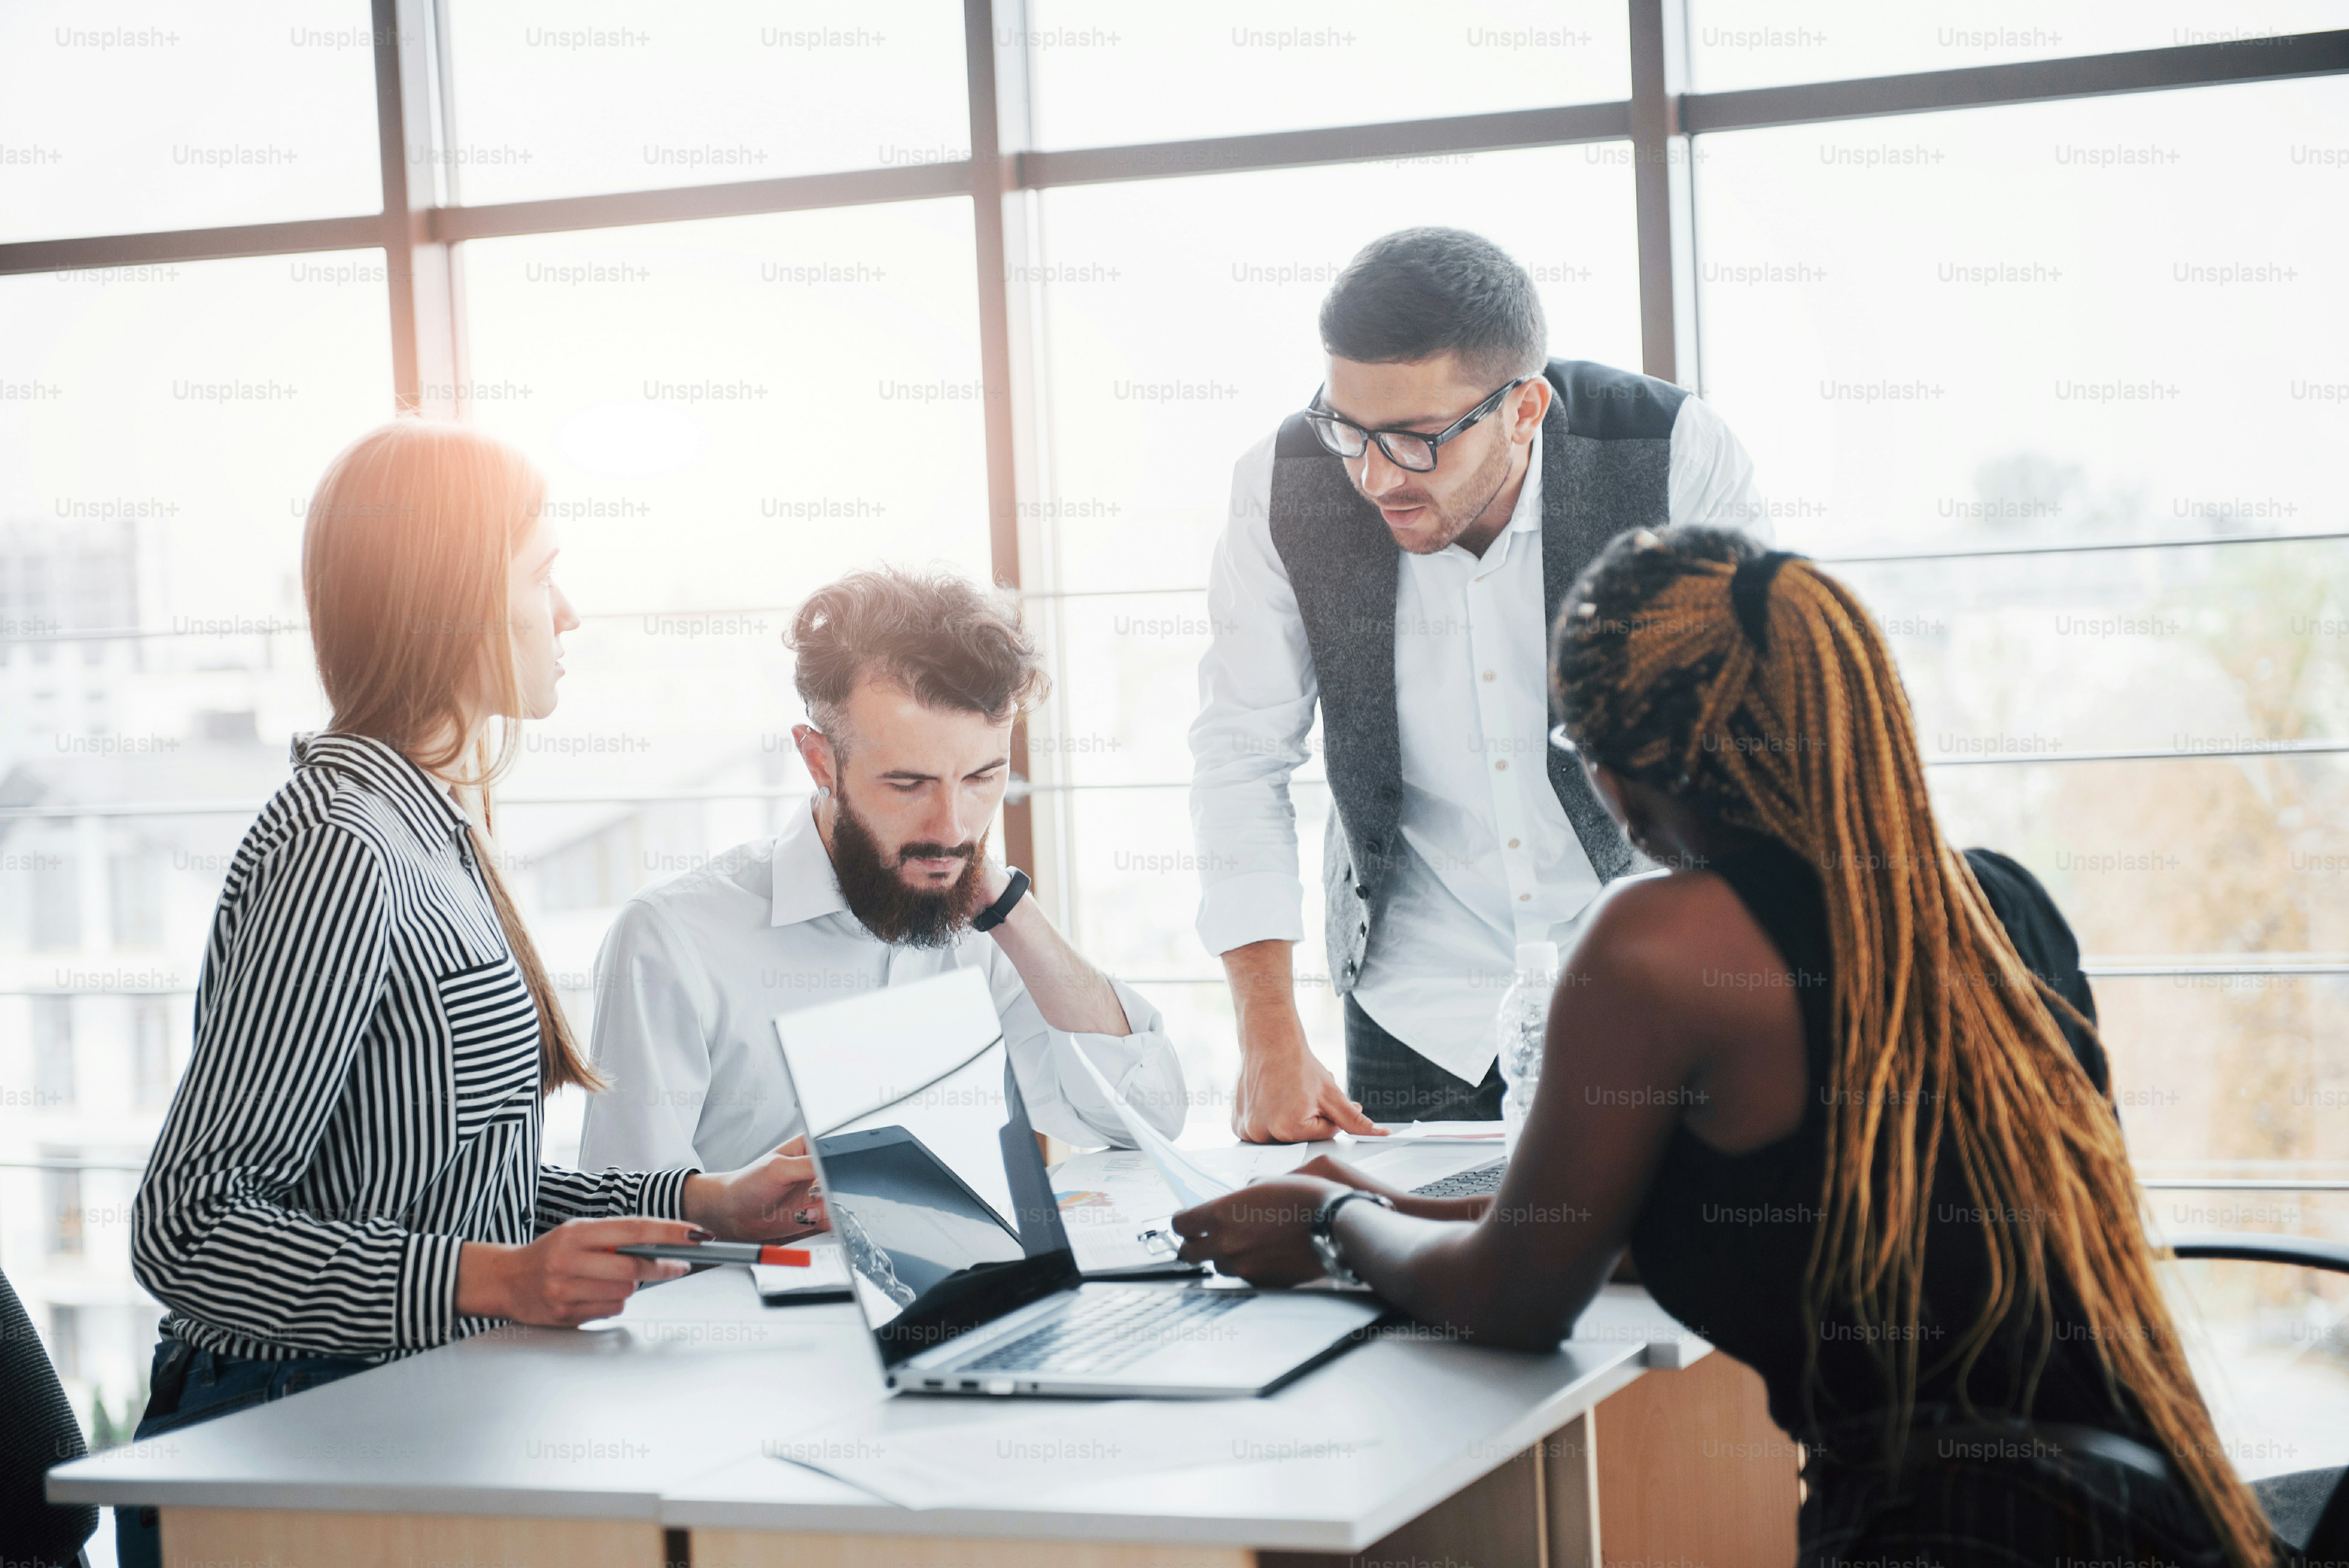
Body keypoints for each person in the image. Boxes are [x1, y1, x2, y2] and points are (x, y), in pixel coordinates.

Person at [1172, 526, 2272, 1566]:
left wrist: (1330, 1222)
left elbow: (1518, 1298)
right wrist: (1396, 1210)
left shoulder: (1661, 943)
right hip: (2151, 1515)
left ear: (1614, 763)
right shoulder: (1994, 904)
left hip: (1947, 1533)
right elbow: (1782, 1224)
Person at [120, 422, 823, 1566]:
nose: (570, 615)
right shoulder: (340, 847)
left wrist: (708, 1201)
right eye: (543, 575)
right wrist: (498, 1279)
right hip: (278, 1444)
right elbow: (191, 1223)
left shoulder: (432, 832)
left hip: (392, 1413)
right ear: (448, 600)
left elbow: (439, 1182)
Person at [1189, 226, 1770, 1141]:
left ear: (1524, 408)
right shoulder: (1280, 485)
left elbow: (1759, 737)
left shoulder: (1670, 450)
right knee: (1417, 1275)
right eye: (1348, 427)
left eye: (1418, 439)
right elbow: (1239, 754)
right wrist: (1266, 1032)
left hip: (1646, 970)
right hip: (1415, 1003)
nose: (1374, 477)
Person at [579, 567, 1185, 1175]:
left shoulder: (982, 923)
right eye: (908, 783)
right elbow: (629, 1227)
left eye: (981, 778)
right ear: (820, 762)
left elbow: (1145, 1120)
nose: (952, 829)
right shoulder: (673, 938)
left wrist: (1007, 907)